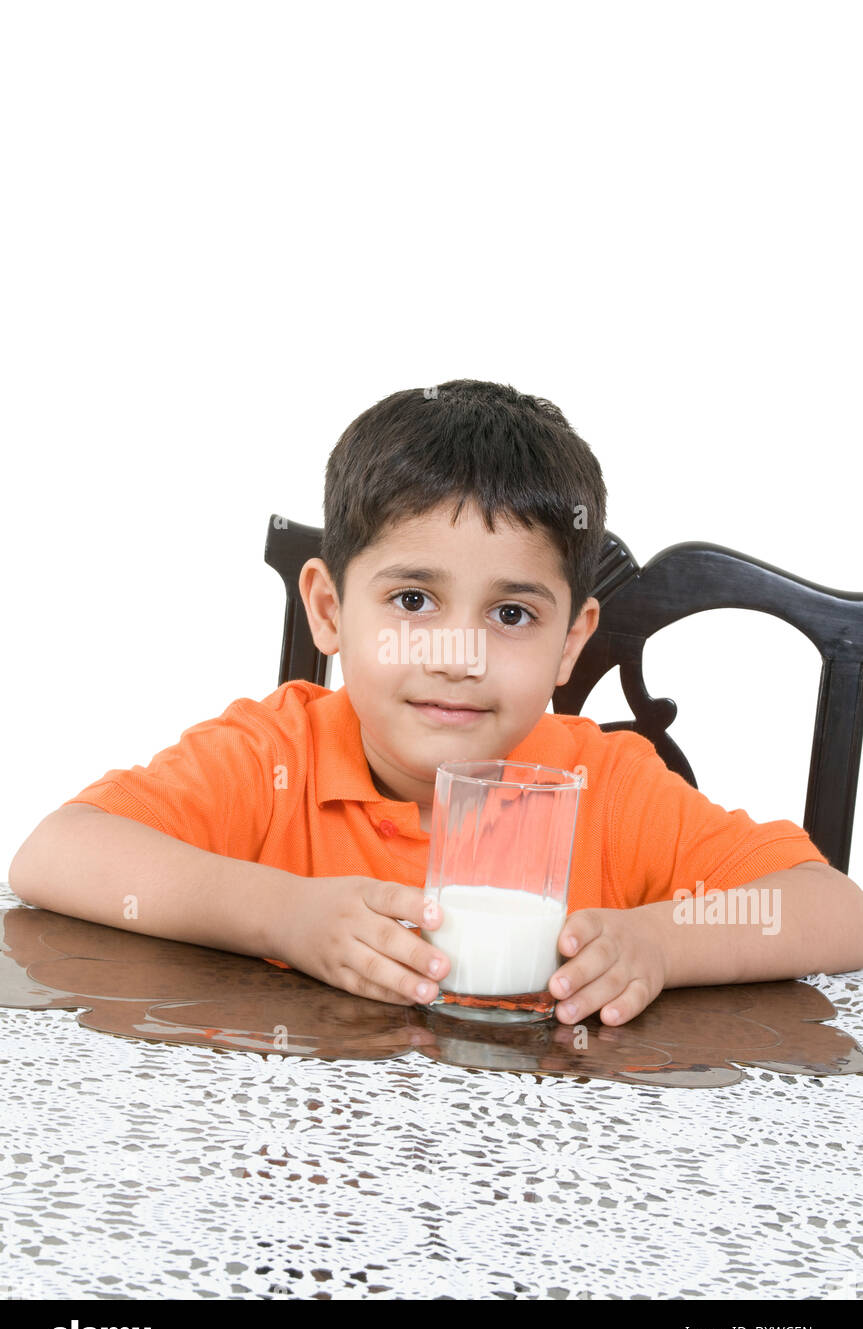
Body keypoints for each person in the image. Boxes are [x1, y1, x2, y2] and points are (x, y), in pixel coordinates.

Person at [9, 380, 863, 1028]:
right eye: (413, 600)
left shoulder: (599, 786)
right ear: (330, 610)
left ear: (572, 639)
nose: (458, 656)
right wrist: (280, 913)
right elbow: (54, 855)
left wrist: (659, 944)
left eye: (511, 614)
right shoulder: (275, 757)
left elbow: (836, 912)